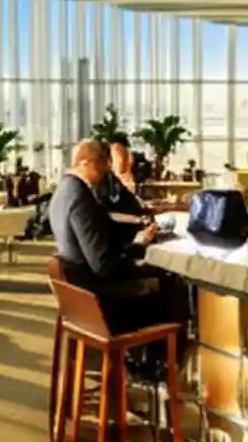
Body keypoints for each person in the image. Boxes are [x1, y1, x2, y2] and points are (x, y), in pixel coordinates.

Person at [50, 142, 188, 377]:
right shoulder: (80, 196)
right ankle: (157, 370)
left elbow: (97, 239)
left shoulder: (63, 192)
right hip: (101, 305)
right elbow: (103, 265)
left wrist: (135, 246)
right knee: (171, 286)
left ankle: (145, 364)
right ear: (86, 162)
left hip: (82, 304)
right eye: (103, 166)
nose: (106, 174)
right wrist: (137, 256)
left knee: (157, 280)